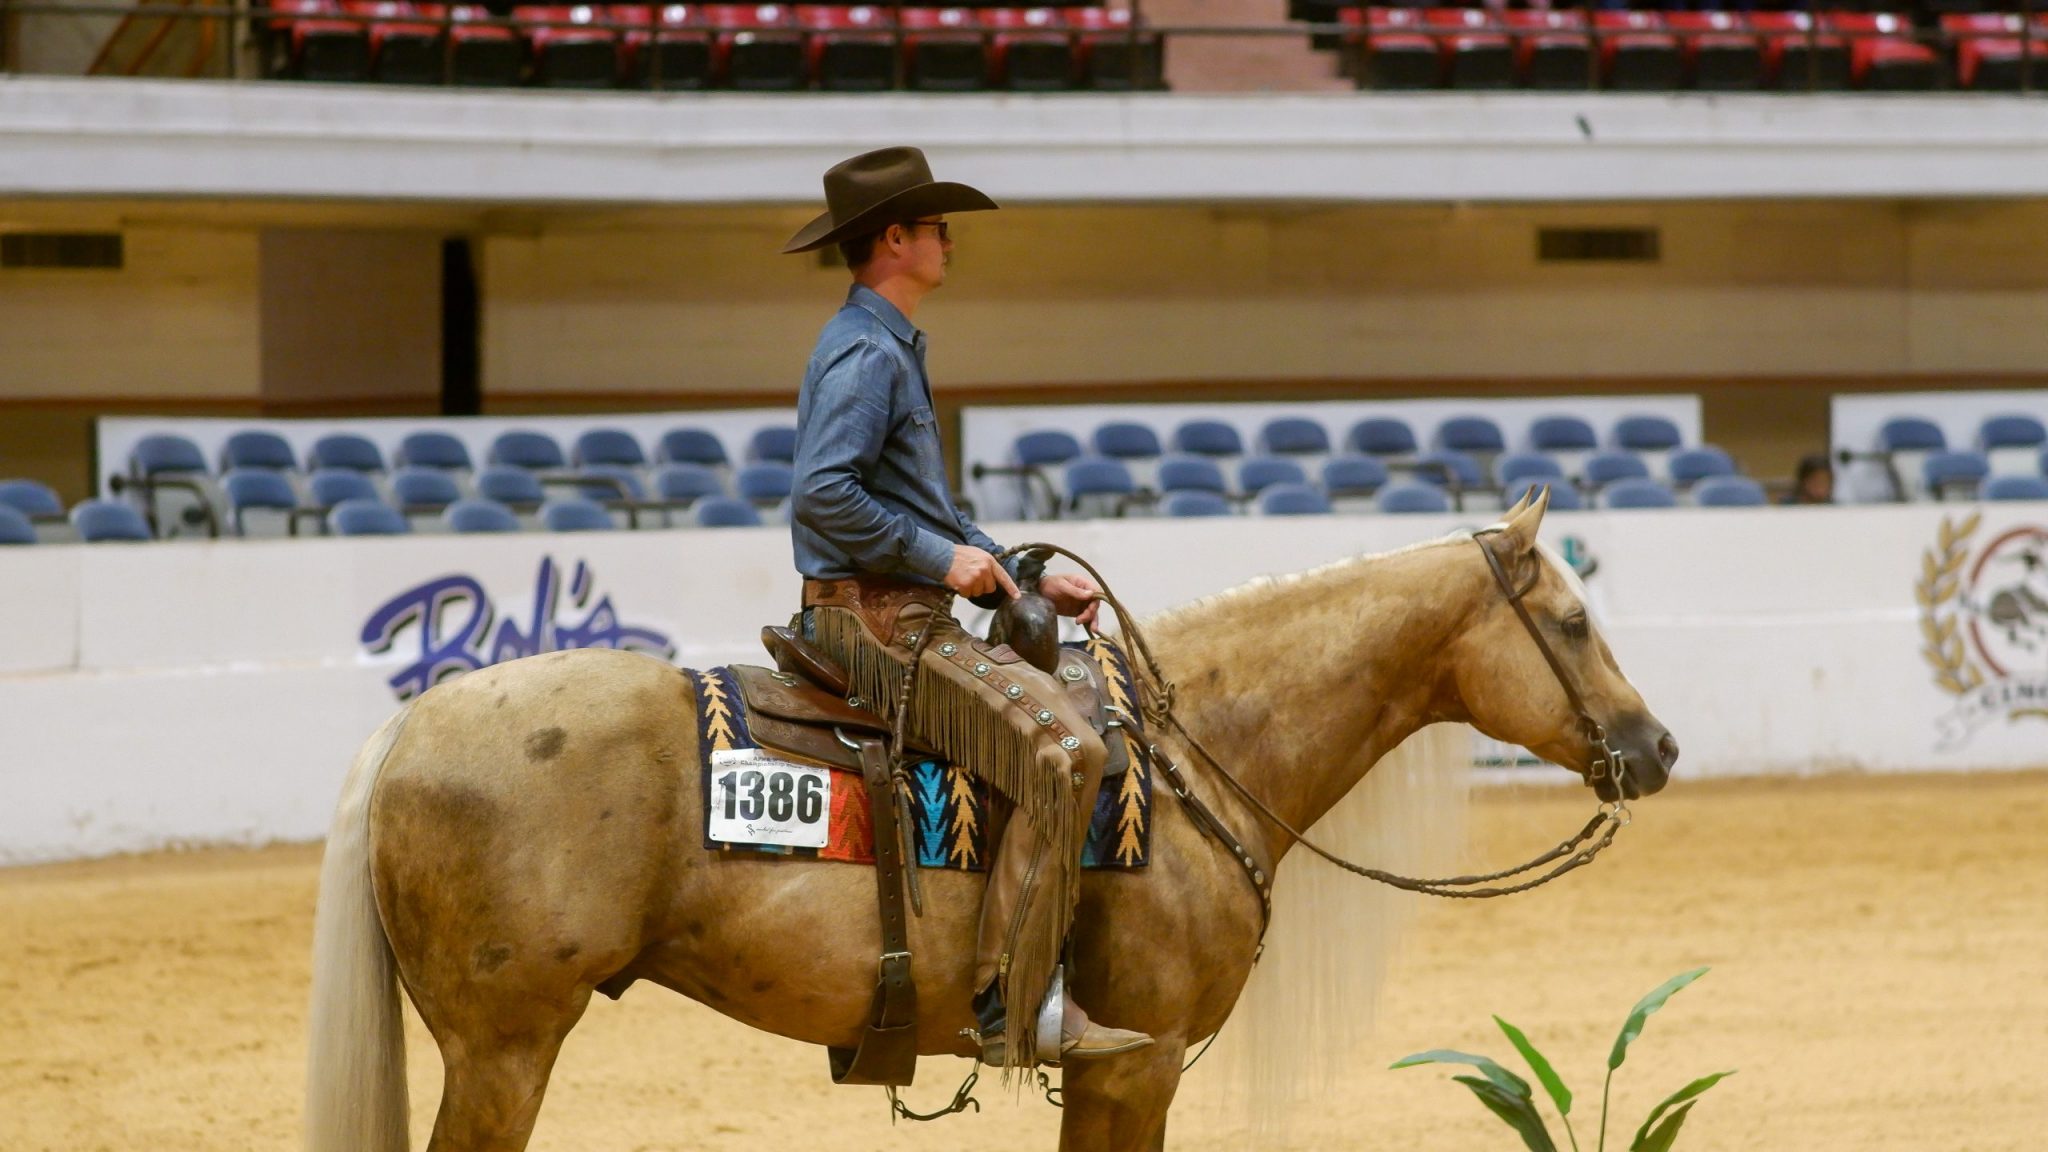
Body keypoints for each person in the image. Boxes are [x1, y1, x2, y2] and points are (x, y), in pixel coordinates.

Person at [781, 147, 1154, 1068]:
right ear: (895, 239)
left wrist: (1017, 572)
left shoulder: (883, 344)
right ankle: (1010, 1003)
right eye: (936, 225)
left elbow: (921, 511)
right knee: (1069, 751)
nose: (950, 240)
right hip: (874, 621)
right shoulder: (869, 353)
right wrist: (942, 560)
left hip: (893, 606)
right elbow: (823, 494)